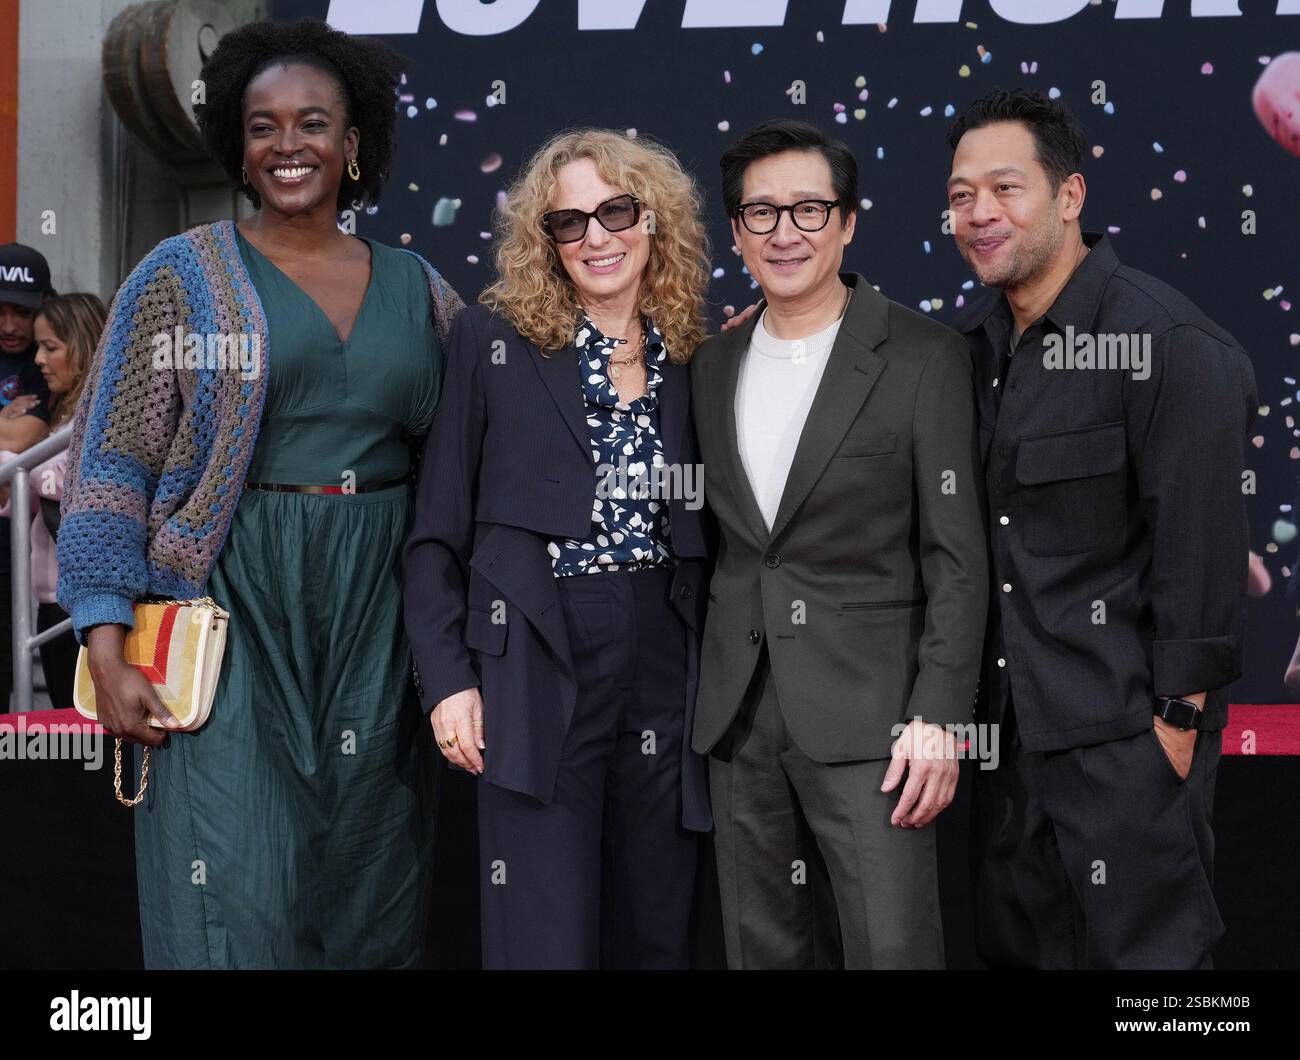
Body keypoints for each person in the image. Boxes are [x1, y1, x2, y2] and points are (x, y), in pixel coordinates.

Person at [56, 18, 463, 968]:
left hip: (380, 614)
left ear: (353, 142)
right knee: (233, 888)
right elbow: (112, 466)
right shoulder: (180, 279)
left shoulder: (423, 290)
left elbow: (484, 442)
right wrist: (104, 636)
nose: (289, 145)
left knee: (371, 884)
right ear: (238, 146)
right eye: (263, 125)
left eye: (312, 122)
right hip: (226, 605)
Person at [946, 88, 1256, 969]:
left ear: (1070, 196)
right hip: (1002, 762)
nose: (979, 213)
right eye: (962, 195)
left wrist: (1170, 734)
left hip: (1126, 756)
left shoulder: (1169, 344)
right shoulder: (968, 354)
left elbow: (1201, 572)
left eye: (1005, 188)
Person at [404, 128, 713, 969]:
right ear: (545, 243)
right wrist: (450, 681)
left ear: (655, 220)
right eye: (569, 223)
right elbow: (437, 528)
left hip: (666, 650)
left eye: (615, 211)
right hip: (534, 645)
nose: (596, 237)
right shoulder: (492, 340)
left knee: (660, 919)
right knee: (546, 928)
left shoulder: (697, 349)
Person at [691, 119, 988, 969]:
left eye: (809, 209)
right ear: (737, 230)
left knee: (890, 949)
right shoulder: (712, 364)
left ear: (849, 221)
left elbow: (958, 558)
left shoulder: (925, 357)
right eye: (761, 213)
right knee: (762, 951)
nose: (785, 232)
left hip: (877, 721)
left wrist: (938, 717)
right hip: (739, 717)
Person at [0, 293, 106, 709]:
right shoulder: (62, 416)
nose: (39, 360)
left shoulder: (101, 415)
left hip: (81, 607)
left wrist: (14, 465)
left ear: (81, 348)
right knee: (66, 722)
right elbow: (29, 499)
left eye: (51, 347)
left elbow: (70, 481)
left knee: (86, 735)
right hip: (49, 603)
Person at [0, 243, 55, 707]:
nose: (9, 326)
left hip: (17, 542)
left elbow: (23, 440)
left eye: (22, 311)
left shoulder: (47, 355)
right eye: (0, 311)